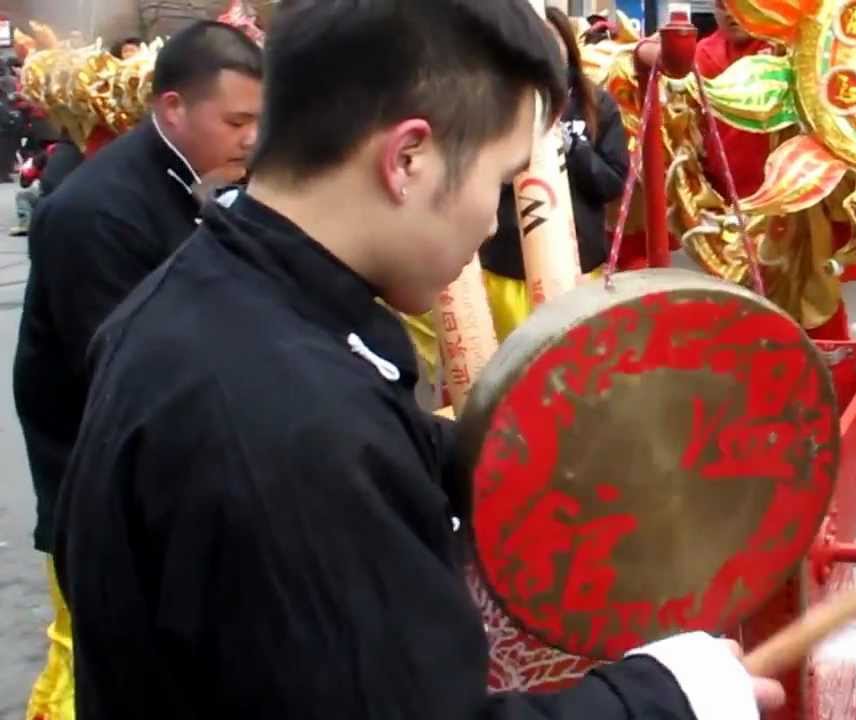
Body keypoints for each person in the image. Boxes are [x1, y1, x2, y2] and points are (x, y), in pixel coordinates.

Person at [53, 1, 784, 718]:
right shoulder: (289, 427)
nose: (496, 221)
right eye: (499, 184)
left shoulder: (222, 298)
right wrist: (666, 699)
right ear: (407, 158)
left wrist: (546, 460)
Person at [14, 21, 262, 720]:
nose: (251, 139)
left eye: (259, 123)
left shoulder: (206, 183)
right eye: (236, 121)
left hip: (168, 485)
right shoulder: (94, 213)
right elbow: (126, 377)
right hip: (99, 492)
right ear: (173, 108)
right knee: (92, 668)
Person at [479, 6, 628, 340]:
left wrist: (573, 147)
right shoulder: (497, 104)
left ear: (567, 45)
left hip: (580, 267)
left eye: (550, 37)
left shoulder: (597, 104)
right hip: (509, 268)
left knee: (578, 370)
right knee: (517, 373)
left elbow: (613, 181)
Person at [693, 0, 774, 199]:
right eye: (723, 4)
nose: (731, 13)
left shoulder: (783, 50)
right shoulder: (701, 54)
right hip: (719, 194)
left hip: (776, 190)